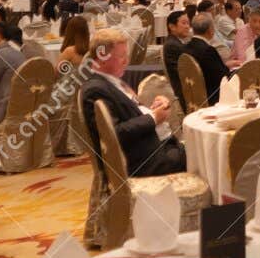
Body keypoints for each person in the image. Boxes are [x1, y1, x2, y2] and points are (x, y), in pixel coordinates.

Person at [79, 28, 185, 177]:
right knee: (204, 153)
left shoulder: (108, 81)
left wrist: (152, 108)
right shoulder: (95, 89)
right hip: (139, 163)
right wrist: (154, 118)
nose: (126, 61)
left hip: (151, 149)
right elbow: (114, 133)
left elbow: (127, 114)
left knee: (199, 148)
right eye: (121, 56)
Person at [182, 13, 232, 102]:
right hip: (213, 97)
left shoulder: (186, 47)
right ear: (210, 30)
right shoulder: (207, 50)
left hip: (193, 95)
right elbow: (223, 77)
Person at [160, 9, 193, 104]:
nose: (187, 27)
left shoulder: (176, 42)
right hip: (184, 91)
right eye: (184, 23)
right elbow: (185, 71)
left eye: (188, 23)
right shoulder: (173, 45)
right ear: (172, 26)